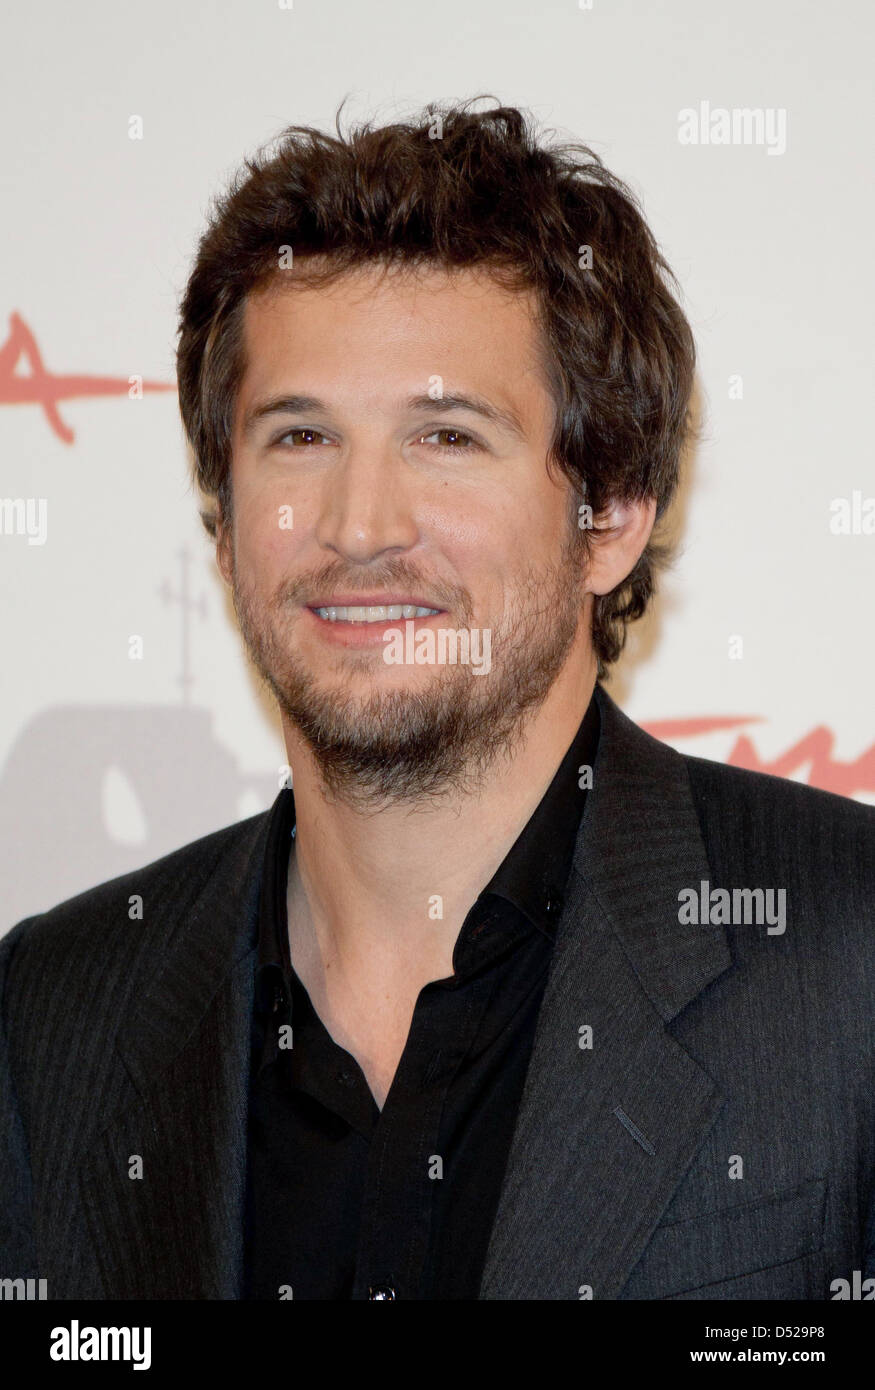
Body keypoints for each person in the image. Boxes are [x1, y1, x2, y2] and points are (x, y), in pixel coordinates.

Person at [1, 100, 873, 1301]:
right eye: (299, 436)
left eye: (446, 438)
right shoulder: (53, 1019)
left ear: (609, 514)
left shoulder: (845, 960)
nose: (361, 527)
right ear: (221, 520)